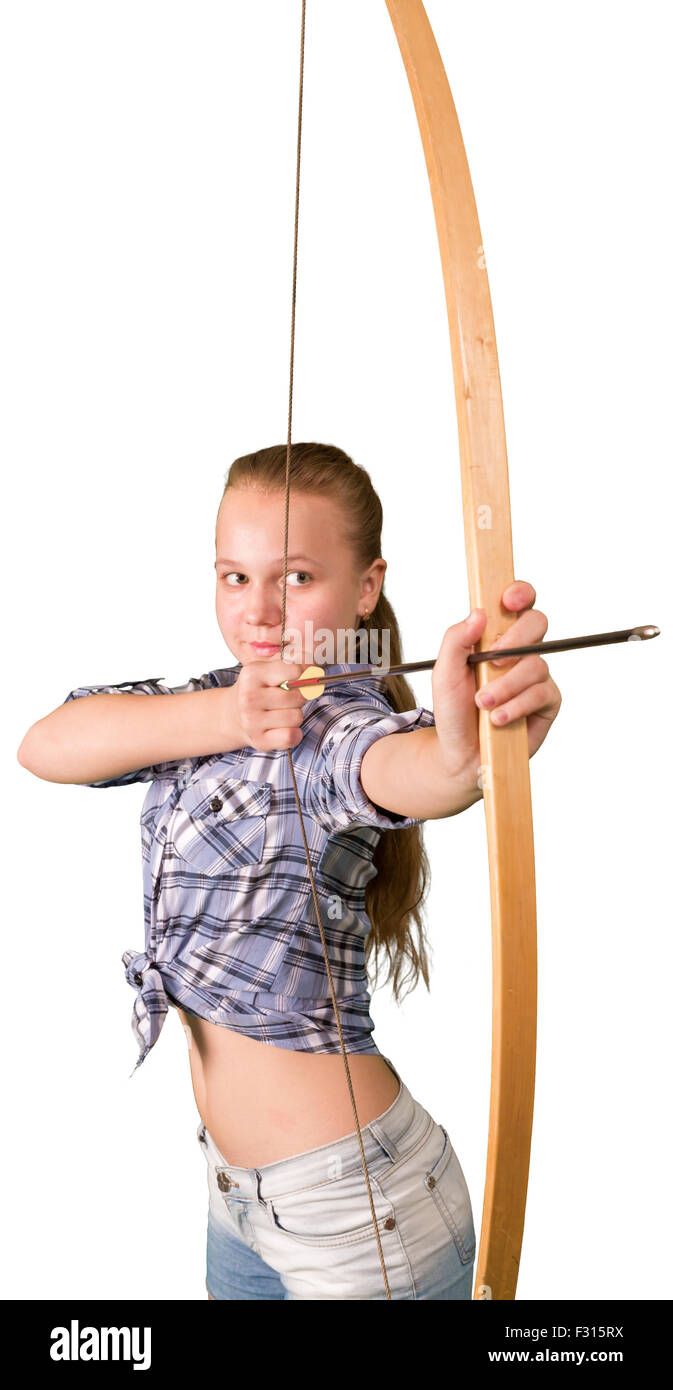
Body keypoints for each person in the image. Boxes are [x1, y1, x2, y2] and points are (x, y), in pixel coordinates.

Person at [17, 441, 561, 1300]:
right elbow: (46, 746)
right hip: (237, 1196)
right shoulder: (215, 696)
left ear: (365, 586)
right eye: (235, 576)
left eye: (296, 576)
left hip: (357, 1214)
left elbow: (409, 771)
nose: (259, 609)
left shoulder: (337, 723)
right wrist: (223, 712)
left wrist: (468, 747)